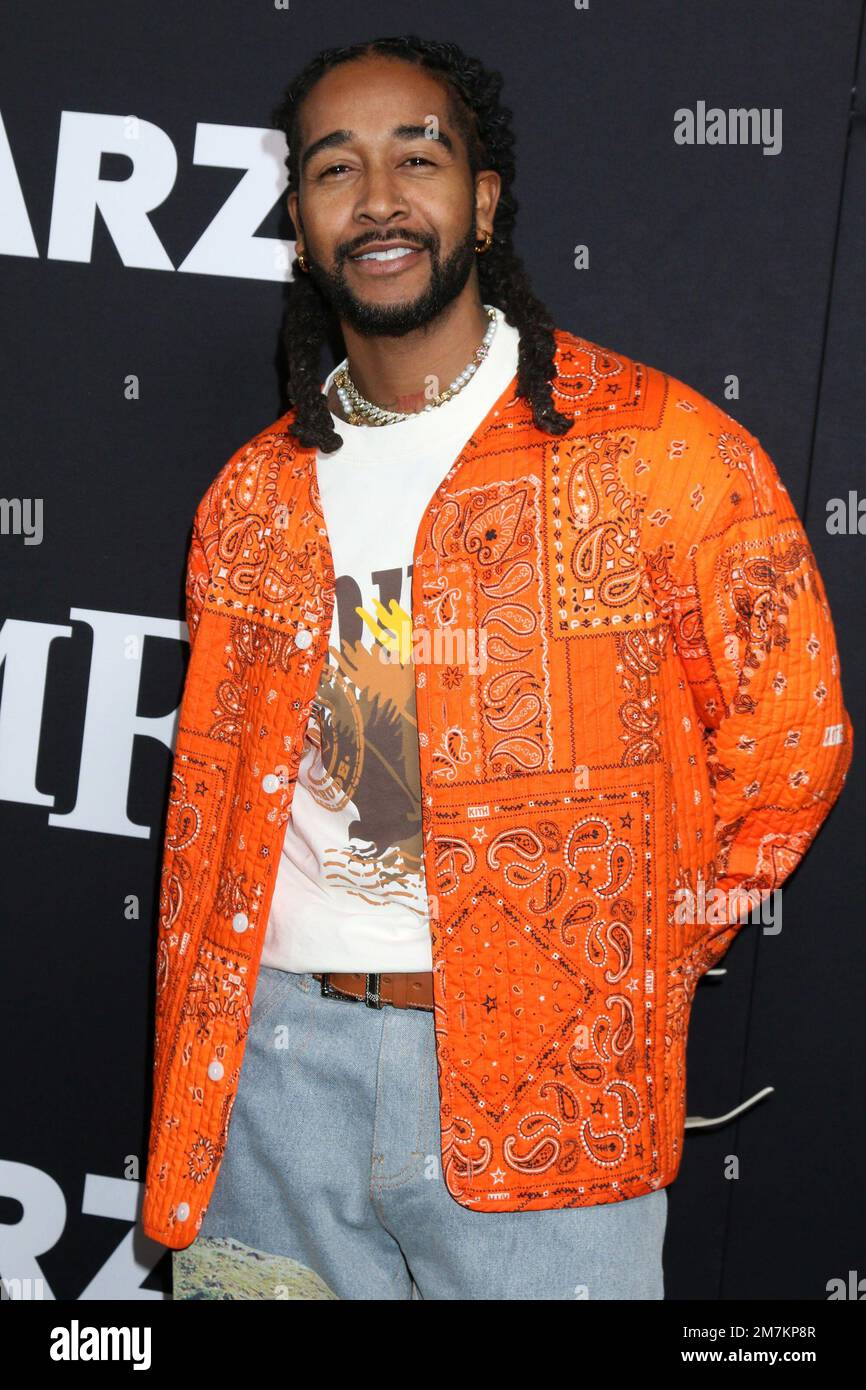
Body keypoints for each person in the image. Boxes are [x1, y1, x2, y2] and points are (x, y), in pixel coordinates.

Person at [143, 35, 853, 1300]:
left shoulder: (653, 452)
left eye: (416, 157)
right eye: (332, 169)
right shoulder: (249, 498)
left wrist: (634, 956)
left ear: (480, 198)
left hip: (554, 1091)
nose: (376, 198)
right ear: (299, 222)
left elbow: (789, 739)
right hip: (270, 1068)